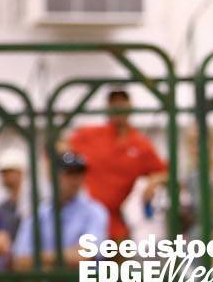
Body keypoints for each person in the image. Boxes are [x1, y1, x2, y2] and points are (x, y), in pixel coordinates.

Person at [66, 88, 167, 241]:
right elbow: (61, 149)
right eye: (114, 104)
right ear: (107, 108)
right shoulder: (89, 135)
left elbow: (166, 173)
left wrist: (154, 181)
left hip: (115, 223)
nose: (118, 107)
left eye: (122, 103)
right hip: (82, 219)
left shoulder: (140, 145)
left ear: (130, 106)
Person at [11, 152, 109, 270]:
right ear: (53, 176)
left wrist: (40, 259)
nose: (75, 179)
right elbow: (20, 261)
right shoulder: (39, 213)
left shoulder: (94, 211)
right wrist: (64, 259)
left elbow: (84, 255)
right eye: (69, 173)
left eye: (79, 173)